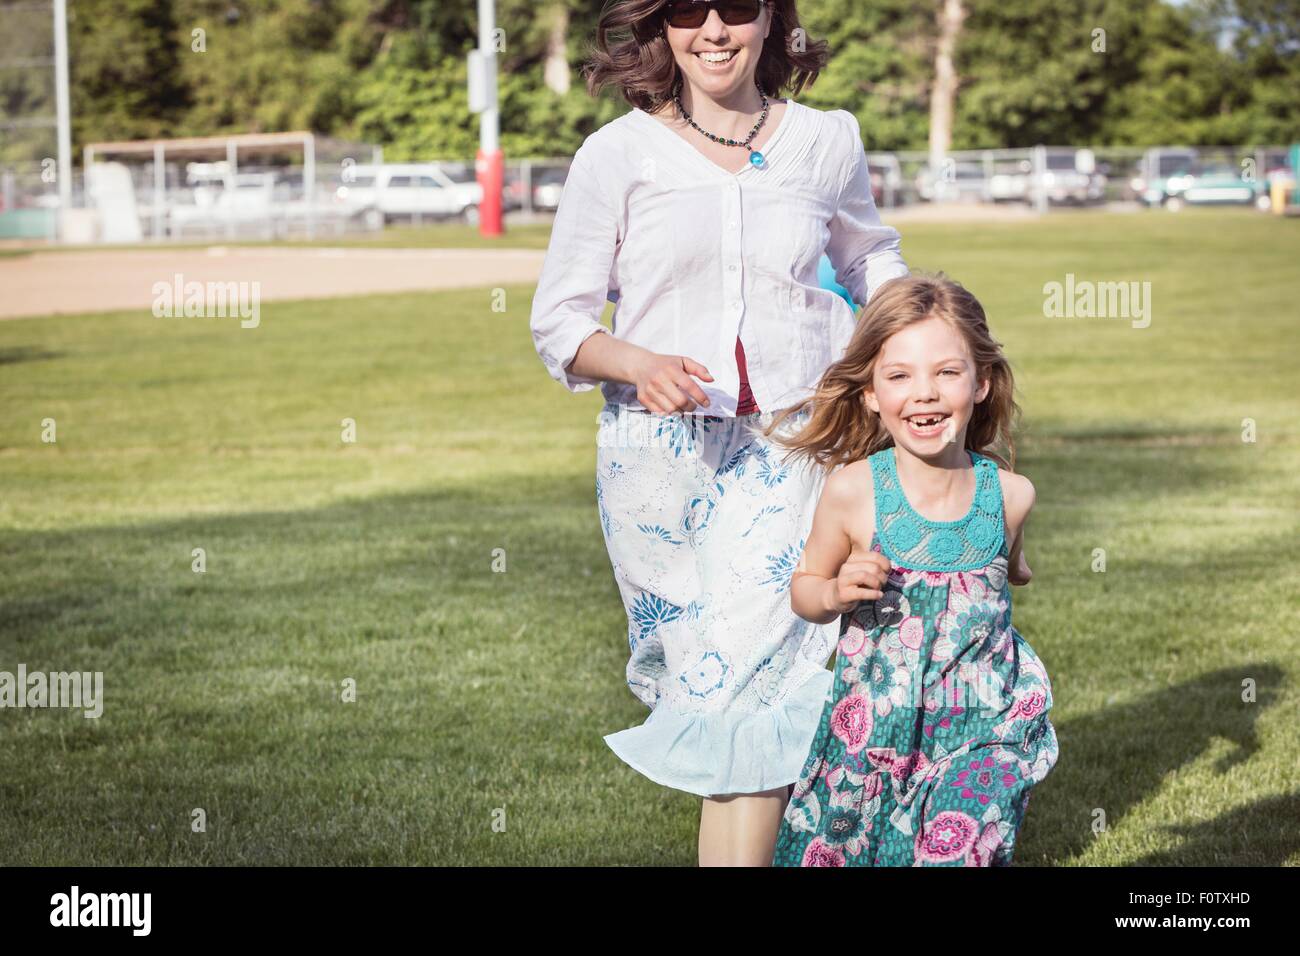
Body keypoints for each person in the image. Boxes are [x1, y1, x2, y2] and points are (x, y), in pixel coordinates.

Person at [528, 0, 909, 866]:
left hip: (793, 442)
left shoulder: (826, 141)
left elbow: (867, 256)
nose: (713, 28)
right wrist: (634, 362)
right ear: (659, 27)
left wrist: (914, 329)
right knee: (707, 692)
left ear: (770, 18)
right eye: (687, 9)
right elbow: (560, 321)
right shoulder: (617, 154)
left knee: (752, 677)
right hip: (655, 465)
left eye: (735, 7)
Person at [759, 273, 1059, 866]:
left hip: (984, 719)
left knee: (960, 844)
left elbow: (1010, 566)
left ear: (982, 383)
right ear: (870, 392)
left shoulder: (1012, 495)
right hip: (875, 726)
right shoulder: (853, 493)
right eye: (900, 376)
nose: (924, 393)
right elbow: (805, 590)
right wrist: (838, 590)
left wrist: (1012, 570)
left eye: (947, 372)